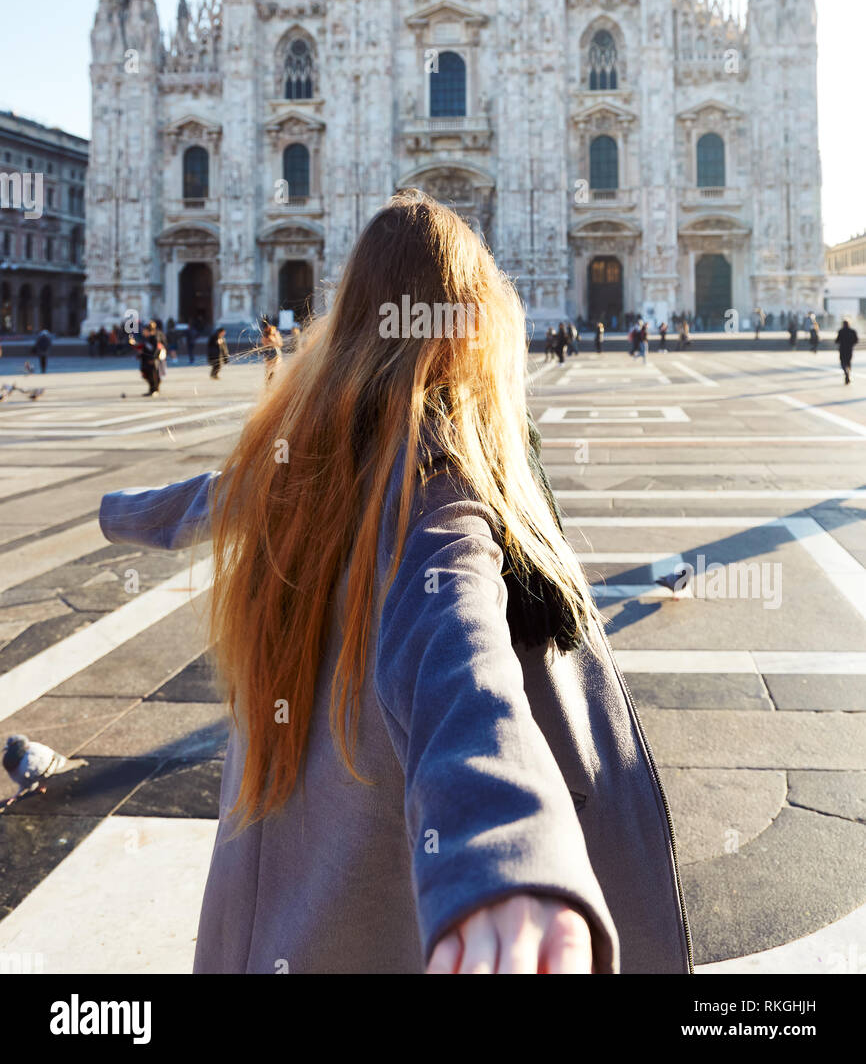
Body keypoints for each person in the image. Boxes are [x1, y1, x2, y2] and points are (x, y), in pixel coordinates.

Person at [97, 189, 691, 976]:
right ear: (476, 320)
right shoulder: (440, 480)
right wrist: (505, 858)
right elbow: (460, 666)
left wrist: (123, 514)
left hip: (288, 913)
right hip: (397, 913)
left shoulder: (305, 461)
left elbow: (216, 497)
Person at [132, 321, 164, 396]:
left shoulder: (155, 337)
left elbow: (157, 349)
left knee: (153, 375)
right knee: (147, 374)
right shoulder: (147, 338)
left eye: (144, 330)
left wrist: (153, 358)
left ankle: (155, 389)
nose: (143, 332)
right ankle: (151, 389)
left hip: (152, 360)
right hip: (146, 359)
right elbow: (145, 348)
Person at [836, 319, 858, 385]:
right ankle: (848, 372)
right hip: (849, 349)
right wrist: (851, 343)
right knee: (848, 362)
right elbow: (856, 340)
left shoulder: (841, 331)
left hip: (842, 349)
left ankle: (846, 372)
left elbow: (837, 340)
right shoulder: (852, 331)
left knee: (843, 362)